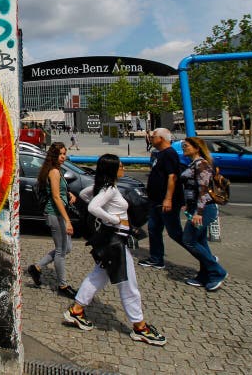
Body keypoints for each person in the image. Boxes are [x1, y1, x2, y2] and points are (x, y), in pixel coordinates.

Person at [63, 154, 167, 346]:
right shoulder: (109, 189)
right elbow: (93, 206)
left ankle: (76, 310)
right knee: (128, 284)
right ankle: (139, 326)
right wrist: (112, 219)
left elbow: (86, 196)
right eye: (120, 166)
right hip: (114, 240)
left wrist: (107, 217)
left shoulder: (103, 187)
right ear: (112, 169)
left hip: (112, 240)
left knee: (98, 275)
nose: (123, 168)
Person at [25, 142, 79, 298]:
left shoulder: (57, 170)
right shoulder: (54, 172)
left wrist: (69, 195)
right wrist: (67, 220)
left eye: (64, 153)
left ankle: (36, 267)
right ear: (54, 156)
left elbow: (59, 192)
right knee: (61, 251)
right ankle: (63, 285)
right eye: (61, 154)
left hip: (58, 212)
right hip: (55, 213)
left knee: (66, 248)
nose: (64, 156)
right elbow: (55, 196)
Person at [179, 137, 229, 291]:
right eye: (183, 146)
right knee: (200, 241)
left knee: (188, 240)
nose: (184, 148)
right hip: (196, 207)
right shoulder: (194, 164)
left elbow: (203, 190)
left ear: (197, 148)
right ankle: (204, 275)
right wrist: (188, 205)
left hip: (204, 208)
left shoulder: (202, 164)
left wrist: (198, 212)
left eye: (186, 146)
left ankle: (217, 271)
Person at [139, 128, 184, 269]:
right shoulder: (159, 154)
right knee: (153, 229)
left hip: (165, 201)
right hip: (155, 200)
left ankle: (203, 255)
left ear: (162, 138)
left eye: (153, 136)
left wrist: (168, 199)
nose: (150, 138)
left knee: (175, 233)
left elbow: (172, 176)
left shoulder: (170, 154)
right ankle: (156, 258)